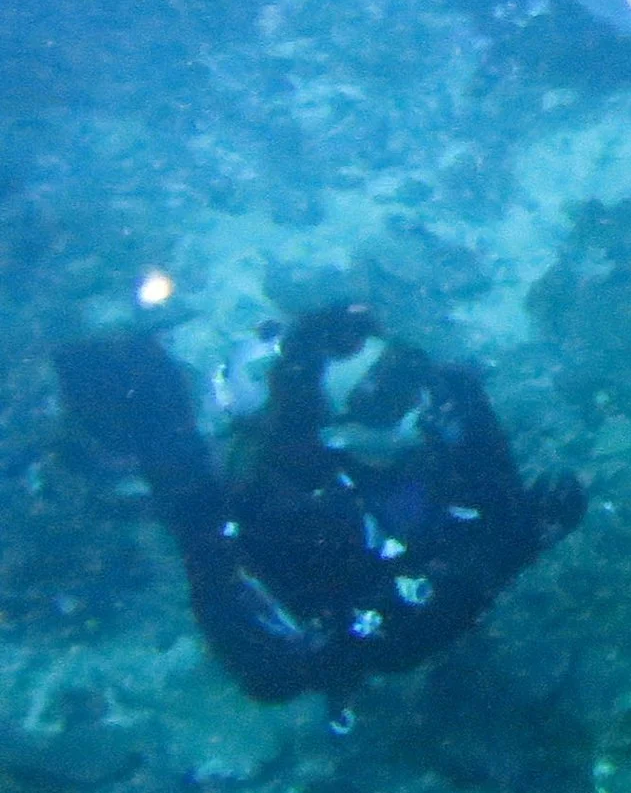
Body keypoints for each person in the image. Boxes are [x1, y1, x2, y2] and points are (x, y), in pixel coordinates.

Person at [55, 302, 584, 715]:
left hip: (383, 548)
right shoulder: (301, 518)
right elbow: (388, 646)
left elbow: (497, 505)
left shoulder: (443, 409)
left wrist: (516, 528)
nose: (420, 404)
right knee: (186, 492)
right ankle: (131, 410)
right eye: (384, 400)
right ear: (336, 434)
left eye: (407, 371)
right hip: (287, 632)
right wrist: (514, 549)